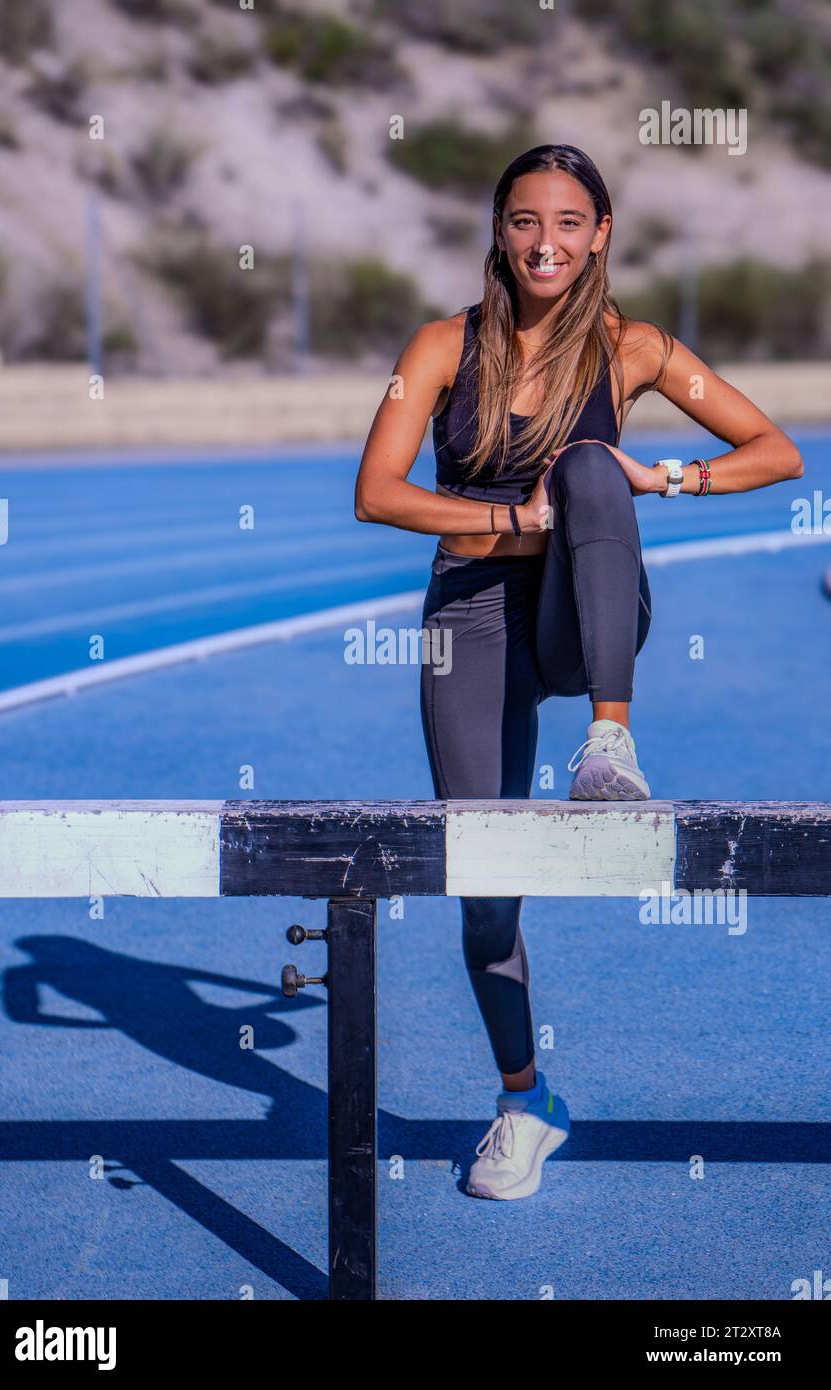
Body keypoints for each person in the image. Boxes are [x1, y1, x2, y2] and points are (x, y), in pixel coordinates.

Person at [354, 143, 803, 1200]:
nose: (543, 241)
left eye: (565, 221)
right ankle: (523, 1100)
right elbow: (376, 492)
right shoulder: (437, 346)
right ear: (498, 232)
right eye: (522, 221)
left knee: (595, 468)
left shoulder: (632, 348)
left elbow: (775, 451)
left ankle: (608, 735)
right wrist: (512, 517)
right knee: (482, 889)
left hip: (578, 608)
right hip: (468, 616)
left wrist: (668, 475)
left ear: (597, 233)